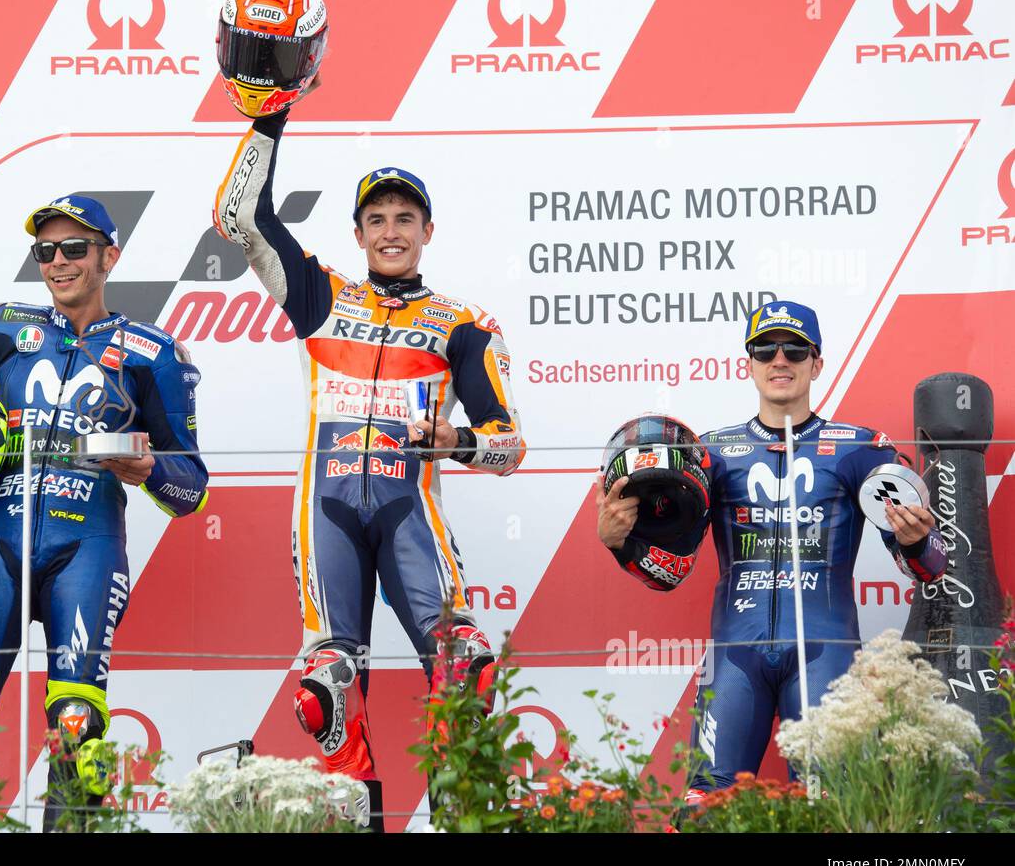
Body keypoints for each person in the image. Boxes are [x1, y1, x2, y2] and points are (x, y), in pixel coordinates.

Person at [213, 81, 526, 828]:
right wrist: (272, 109)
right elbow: (240, 217)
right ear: (358, 233)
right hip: (326, 516)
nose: (391, 230)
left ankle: (461, 812)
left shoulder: (463, 324)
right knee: (322, 690)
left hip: (409, 513)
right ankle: (358, 817)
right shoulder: (321, 298)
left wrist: (459, 442)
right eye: (377, 218)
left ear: (428, 229)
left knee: (464, 669)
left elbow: (510, 445)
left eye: (404, 218)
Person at [0, 195, 208, 827]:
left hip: (88, 552)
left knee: (79, 728)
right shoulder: (4, 327)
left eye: (74, 249)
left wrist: (149, 468)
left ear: (111, 256)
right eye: (45, 250)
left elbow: (193, 488)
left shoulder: (152, 351)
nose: (58, 262)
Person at [596, 301, 945, 799]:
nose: (779, 360)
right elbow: (669, 573)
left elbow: (931, 567)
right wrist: (622, 545)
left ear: (816, 363)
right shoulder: (706, 453)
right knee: (705, 804)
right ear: (749, 364)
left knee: (836, 804)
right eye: (765, 349)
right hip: (735, 658)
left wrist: (914, 540)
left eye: (795, 349)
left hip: (828, 655)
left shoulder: (861, 448)